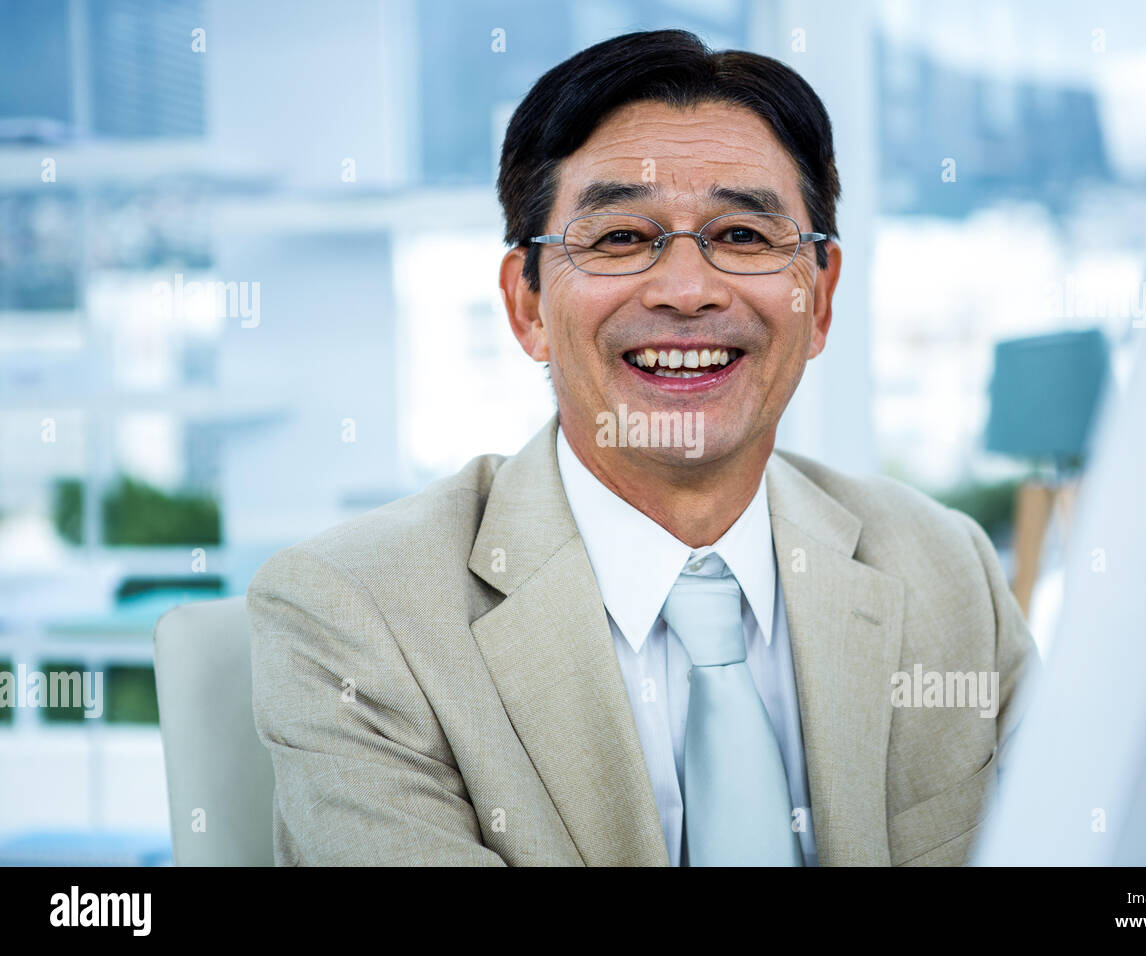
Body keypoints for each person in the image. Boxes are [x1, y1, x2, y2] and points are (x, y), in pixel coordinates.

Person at [247, 28, 1040, 866]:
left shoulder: (948, 569)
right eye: (622, 238)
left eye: (742, 237)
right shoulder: (355, 616)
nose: (689, 291)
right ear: (526, 304)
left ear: (822, 297)